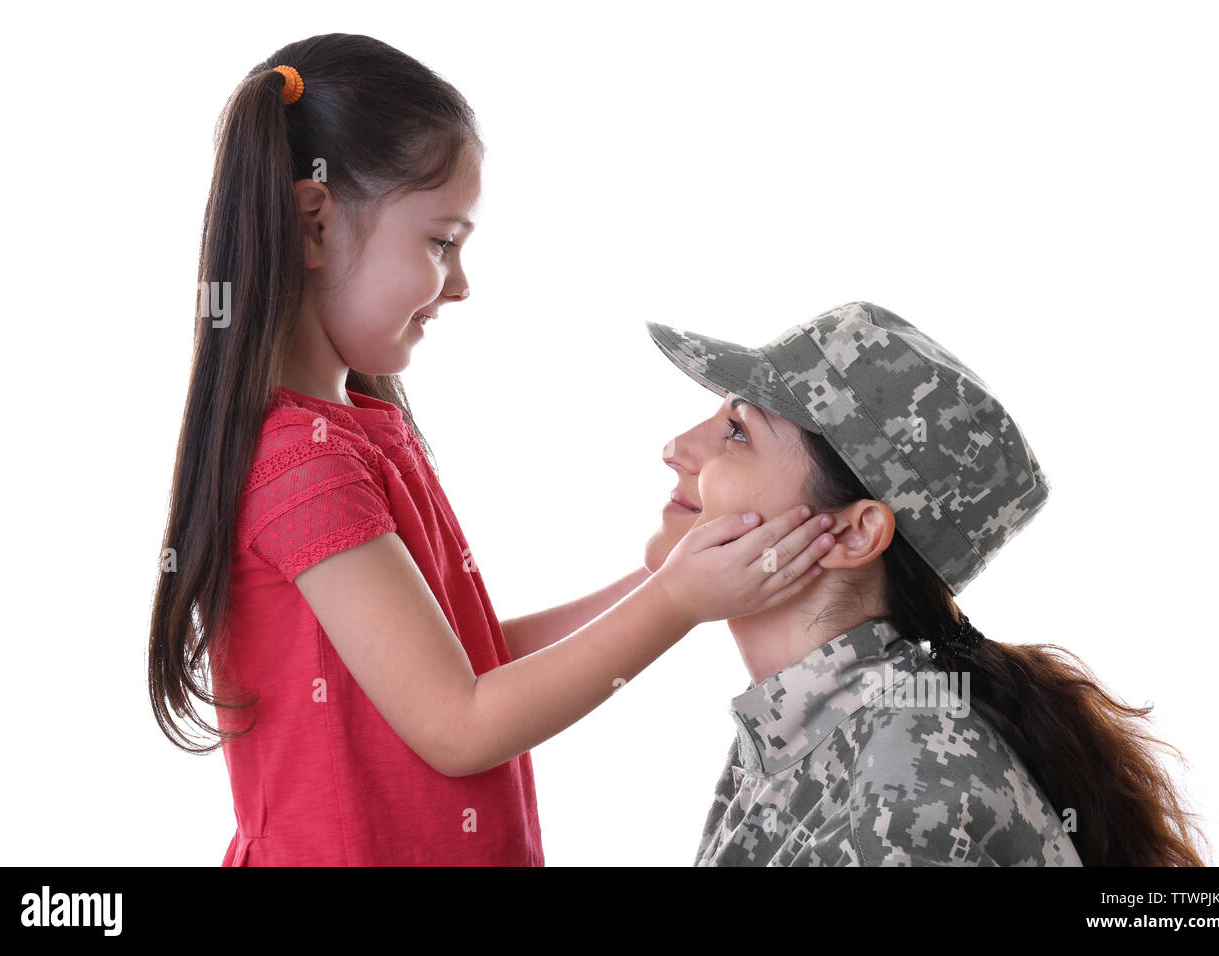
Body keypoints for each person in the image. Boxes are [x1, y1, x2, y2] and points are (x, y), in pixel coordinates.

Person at [146, 34, 837, 866]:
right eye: (442, 242)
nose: (462, 283)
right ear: (313, 226)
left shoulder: (362, 429)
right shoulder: (303, 463)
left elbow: (468, 665)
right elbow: (460, 724)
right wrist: (677, 602)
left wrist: (665, 580)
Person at [644, 301, 1209, 866]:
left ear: (853, 534)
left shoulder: (892, 805)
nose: (674, 449)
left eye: (737, 433)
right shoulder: (806, 731)